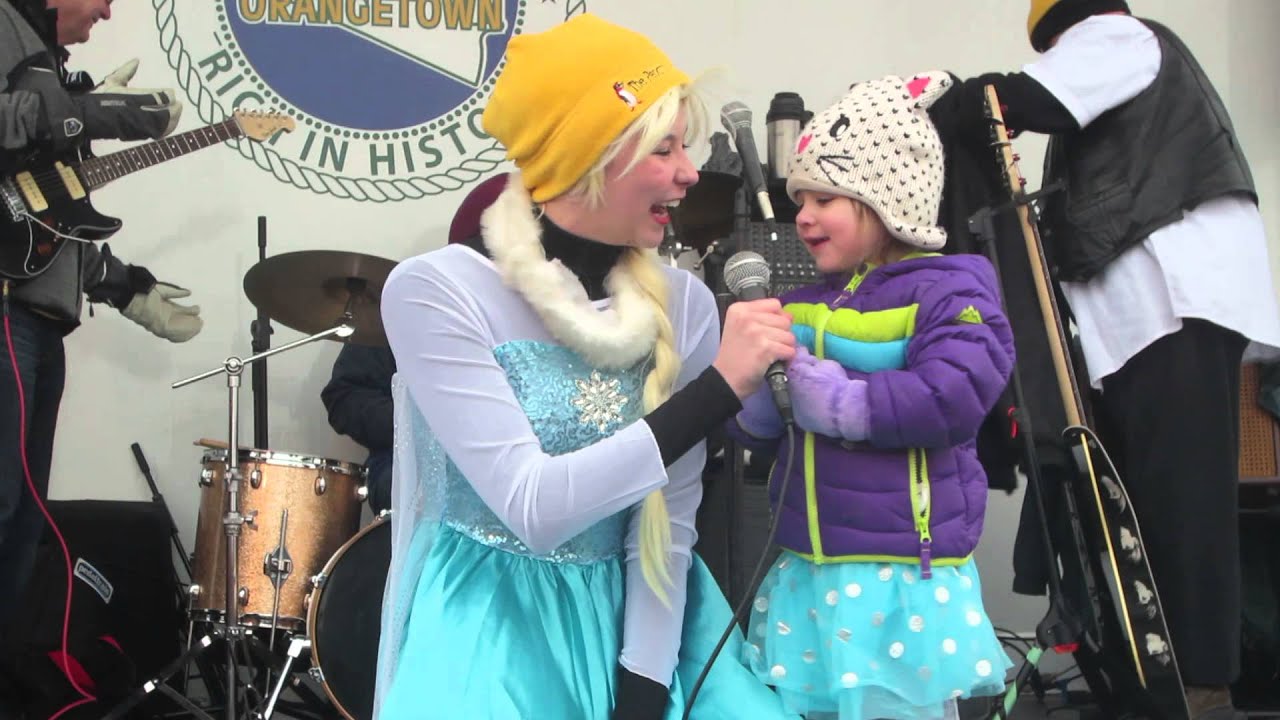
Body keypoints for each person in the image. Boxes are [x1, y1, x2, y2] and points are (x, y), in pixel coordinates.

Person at [374, 14, 801, 720]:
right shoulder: (436, 291)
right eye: (664, 149)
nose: (691, 174)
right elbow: (534, 508)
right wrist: (718, 391)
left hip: (646, 613)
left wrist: (644, 682)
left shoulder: (687, 304)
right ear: (588, 157)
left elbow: (672, 519)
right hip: (492, 626)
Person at [931, 2, 1280, 717]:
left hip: (1174, 304)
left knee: (1179, 507)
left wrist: (951, 103)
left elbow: (1016, 99)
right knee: (1141, 506)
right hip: (1148, 317)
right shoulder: (1120, 78)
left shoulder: (1120, 37)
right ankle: (1152, 681)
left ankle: (1197, 687)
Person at [728, 72, 1017, 720]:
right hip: (810, 570)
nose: (802, 215)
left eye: (824, 197)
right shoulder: (803, 304)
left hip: (896, 580)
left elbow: (953, 396)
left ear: (888, 200)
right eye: (798, 197)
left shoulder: (953, 291)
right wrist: (751, 395)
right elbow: (760, 430)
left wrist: (841, 403)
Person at [0, 0, 199, 635]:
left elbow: (42, 224)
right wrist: (93, 113)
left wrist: (124, 288)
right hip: (8, 320)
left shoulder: (51, 65)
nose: (109, 11)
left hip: (38, 323)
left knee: (25, 516)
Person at [321, 173, 510, 514]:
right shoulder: (415, 301)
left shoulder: (561, 312)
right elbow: (346, 397)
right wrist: (424, 427)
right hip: (410, 461)